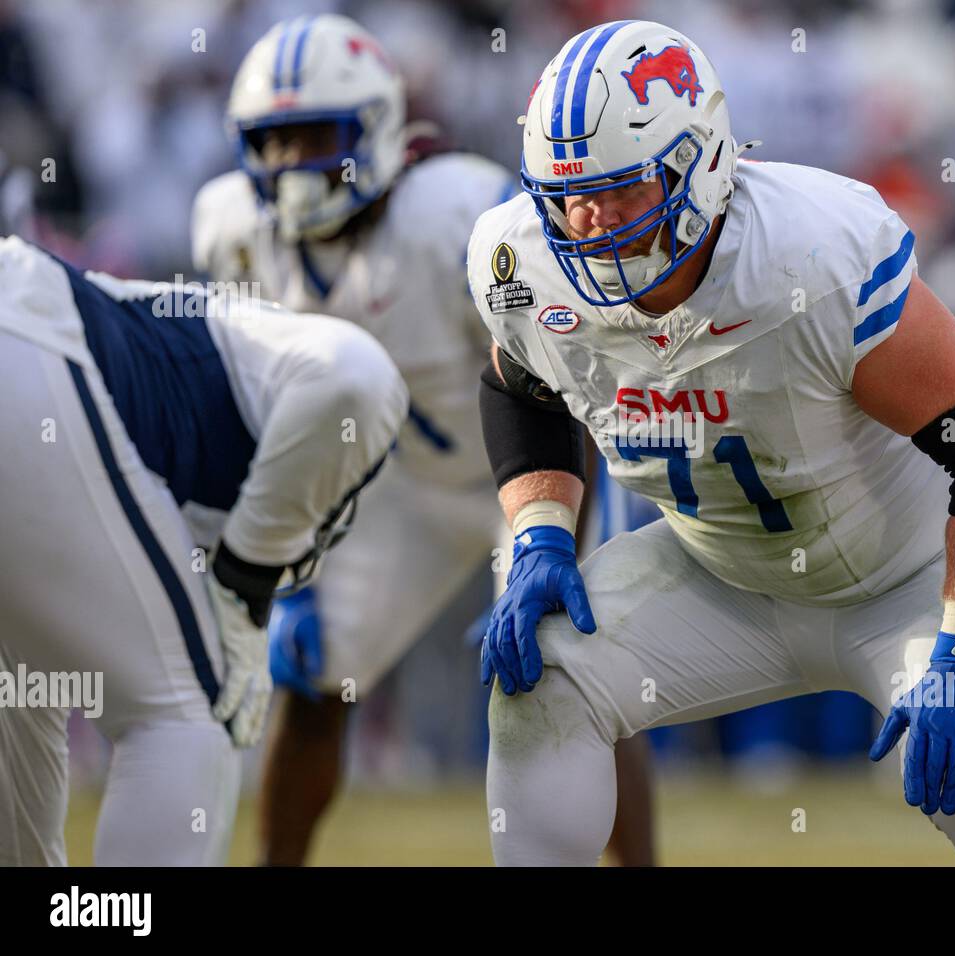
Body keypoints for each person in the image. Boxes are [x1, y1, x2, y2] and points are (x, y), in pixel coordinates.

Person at [468, 18, 955, 865]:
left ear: (696, 165)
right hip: (724, 573)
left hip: (915, 578)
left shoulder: (811, 253)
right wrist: (541, 534)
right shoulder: (520, 257)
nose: (586, 223)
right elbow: (520, 384)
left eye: (620, 192)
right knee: (541, 672)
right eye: (566, 195)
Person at [193, 13, 655, 865]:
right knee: (315, 673)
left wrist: (552, 545)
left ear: (371, 129)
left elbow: (551, 379)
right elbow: (261, 412)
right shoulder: (233, 231)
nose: (293, 164)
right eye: (274, 141)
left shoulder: (456, 214)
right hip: (393, 486)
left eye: (313, 137)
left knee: (575, 665)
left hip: (530, 468)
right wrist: (291, 579)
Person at [0, 235, 407, 864]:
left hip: (26, 341)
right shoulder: (282, 362)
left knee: (21, 697)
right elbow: (358, 379)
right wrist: (246, 581)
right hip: (26, 335)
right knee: (185, 714)